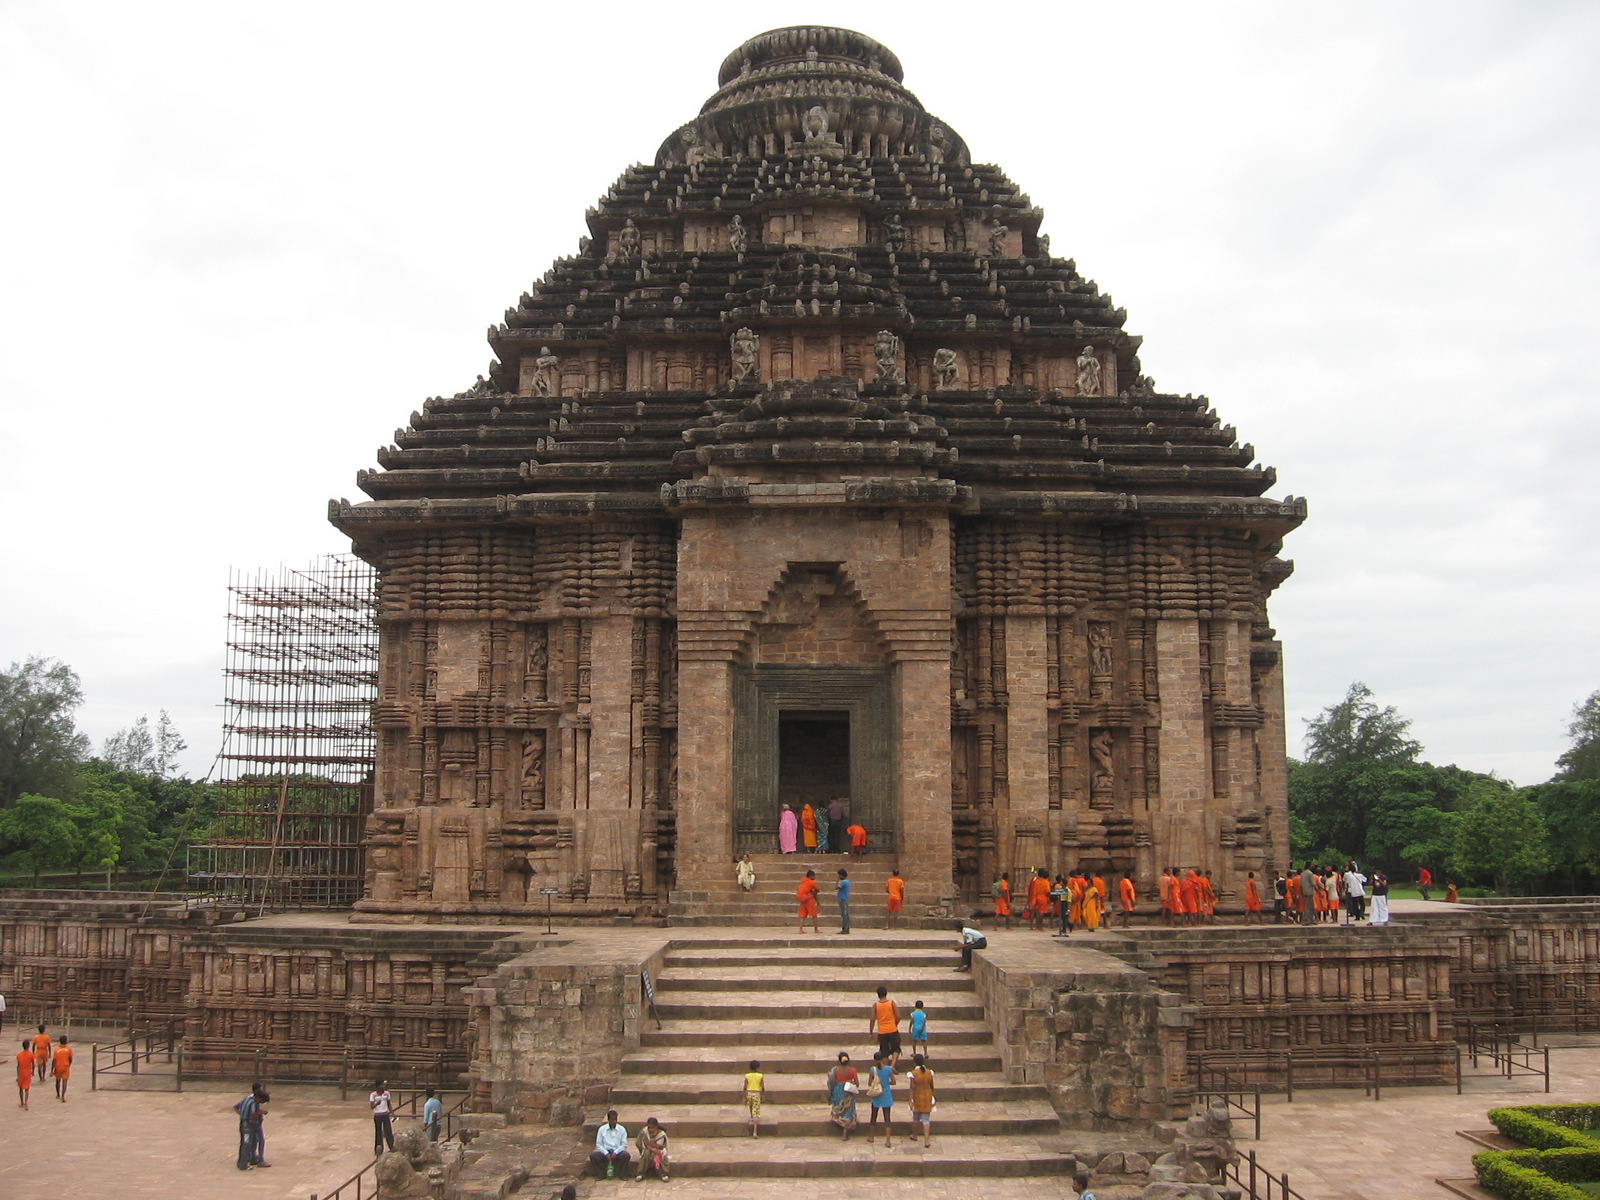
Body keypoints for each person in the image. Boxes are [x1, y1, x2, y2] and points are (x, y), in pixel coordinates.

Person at [827, 1051, 859, 1139]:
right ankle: (845, 1133)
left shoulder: (835, 1070)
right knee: (848, 1111)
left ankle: (838, 1122)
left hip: (838, 1091)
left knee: (839, 1109)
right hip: (847, 1091)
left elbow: (831, 1081)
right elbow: (857, 1083)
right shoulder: (852, 1070)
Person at [866, 1051, 894, 1146]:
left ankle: (872, 1137)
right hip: (886, 1094)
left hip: (876, 1095)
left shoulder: (872, 1070)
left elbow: (870, 1083)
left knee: (873, 1116)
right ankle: (888, 1140)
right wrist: (886, 1083)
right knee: (887, 1118)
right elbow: (894, 1081)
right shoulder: (888, 1069)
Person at [591, 1110, 630, 1178]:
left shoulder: (622, 1129)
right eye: (612, 1120)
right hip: (605, 1152)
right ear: (608, 1120)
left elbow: (624, 1144)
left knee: (626, 1155)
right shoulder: (602, 1129)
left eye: (615, 1119)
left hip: (617, 1152)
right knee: (593, 1156)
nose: (614, 1121)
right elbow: (599, 1144)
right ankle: (601, 1174)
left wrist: (616, 1152)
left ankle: (622, 1174)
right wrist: (606, 1153)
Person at [872, 985, 902, 1065]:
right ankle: (892, 1066)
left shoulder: (875, 1005)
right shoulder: (891, 1003)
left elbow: (872, 1019)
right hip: (893, 1029)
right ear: (886, 993)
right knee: (896, 1049)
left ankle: (886, 1068)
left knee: (884, 1052)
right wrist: (894, 1024)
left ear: (878, 994)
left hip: (882, 1032)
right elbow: (899, 1016)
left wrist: (871, 1032)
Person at [635, 1116, 669, 1182]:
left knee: (656, 1155)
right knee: (646, 1153)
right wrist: (653, 1148)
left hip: (658, 1152)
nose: (651, 1130)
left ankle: (663, 1174)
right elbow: (646, 1145)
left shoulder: (661, 1135)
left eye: (653, 1128)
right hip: (647, 1149)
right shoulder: (644, 1132)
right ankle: (640, 1173)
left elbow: (658, 1147)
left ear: (657, 1127)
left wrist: (654, 1147)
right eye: (649, 1128)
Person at [369, 1079, 395, 1156]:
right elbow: (371, 1106)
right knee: (378, 1132)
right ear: (377, 1086)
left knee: (388, 1131)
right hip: (377, 1115)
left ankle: (391, 1146)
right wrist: (376, 1103)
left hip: (385, 1114)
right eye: (382, 1085)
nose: (383, 1086)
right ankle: (379, 1149)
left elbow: (389, 1104)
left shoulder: (387, 1094)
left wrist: (392, 1113)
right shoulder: (373, 1095)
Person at [743, 1059, 764, 1138]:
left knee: (750, 1105)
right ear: (758, 1068)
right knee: (756, 1111)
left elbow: (745, 1087)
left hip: (749, 1092)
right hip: (756, 1093)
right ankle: (755, 1132)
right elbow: (762, 1087)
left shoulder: (747, 1076)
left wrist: (744, 1097)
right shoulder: (760, 1076)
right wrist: (762, 1095)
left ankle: (751, 1117)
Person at [1027, 867, 1051, 932]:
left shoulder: (1036, 881)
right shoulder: (1046, 882)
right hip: (1043, 898)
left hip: (1035, 898)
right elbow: (1047, 892)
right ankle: (1040, 927)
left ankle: (1036, 926)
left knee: (1036, 913)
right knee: (1041, 913)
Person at [52, 1035, 72, 1102]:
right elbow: (70, 1058)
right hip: (65, 1066)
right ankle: (63, 1096)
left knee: (57, 1081)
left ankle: (58, 1094)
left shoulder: (56, 1050)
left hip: (58, 1066)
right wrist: (69, 1065)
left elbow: (54, 1060)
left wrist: (52, 1069)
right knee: (64, 1082)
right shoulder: (68, 1049)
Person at [17, 1038, 34, 1110]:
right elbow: (33, 1064)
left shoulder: (19, 1055)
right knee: (26, 1089)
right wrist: (32, 1071)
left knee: (20, 1088)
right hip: (27, 1073)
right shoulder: (31, 1055)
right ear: (28, 1046)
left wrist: (17, 1075)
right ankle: (26, 1102)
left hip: (21, 1073)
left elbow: (18, 1066)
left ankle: (21, 1102)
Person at [836, 868, 852, 935]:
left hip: (843, 899)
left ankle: (845, 929)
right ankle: (846, 928)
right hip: (846, 899)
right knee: (846, 914)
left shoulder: (844, 882)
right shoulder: (848, 881)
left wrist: (837, 881)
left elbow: (836, 887)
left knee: (844, 915)